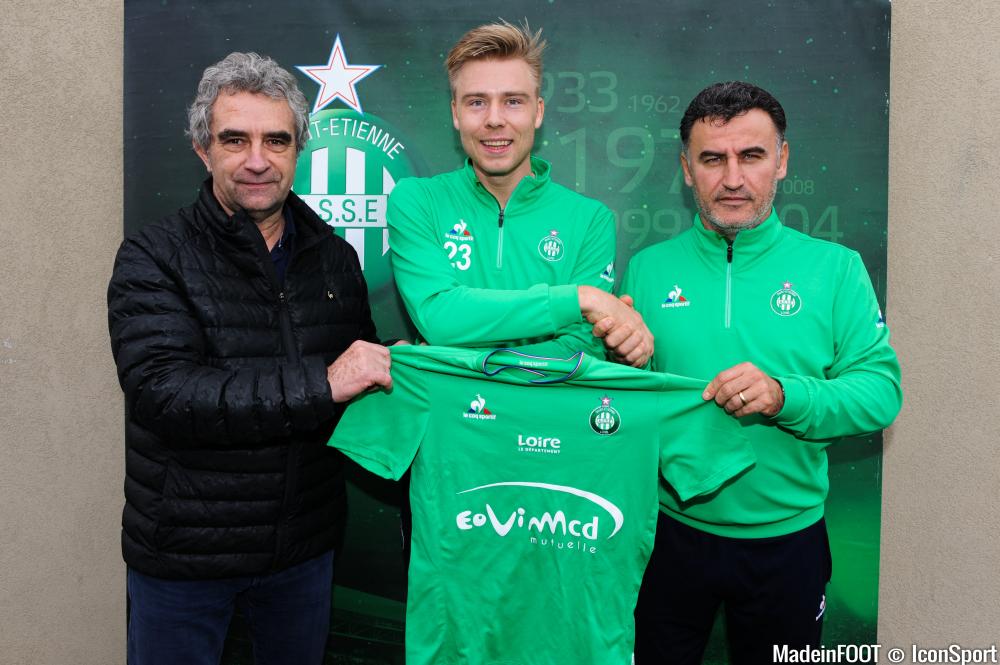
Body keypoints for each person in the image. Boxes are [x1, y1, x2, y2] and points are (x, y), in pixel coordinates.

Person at [107, 52, 392, 665]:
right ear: (201, 149)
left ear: (300, 149)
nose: (257, 160)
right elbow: (167, 394)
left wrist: (425, 371)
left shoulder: (335, 258)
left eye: (277, 140)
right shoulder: (152, 256)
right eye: (234, 139)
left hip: (303, 555)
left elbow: (359, 381)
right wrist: (326, 381)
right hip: (186, 561)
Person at [624, 81, 903, 663]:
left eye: (751, 156)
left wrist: (784, 396)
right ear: (685, 167)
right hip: (667, 538)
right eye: (712, 159)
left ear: (782, 161)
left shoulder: (835, 268)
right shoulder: (648, 270)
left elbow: (880, 394)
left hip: (787, 545)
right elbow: (626, 404)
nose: (732, 179)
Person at [386, 20, 652, 366]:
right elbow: (438, 318)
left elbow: (579, 351)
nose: (494, 120)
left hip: (547, 418)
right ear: (455, 113)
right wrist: (580, 299)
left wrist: (449, 358)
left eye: (513, 101)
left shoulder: (589, 220)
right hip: (448, 419)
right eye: (477, 102)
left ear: (537, 111)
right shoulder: (416, 200)